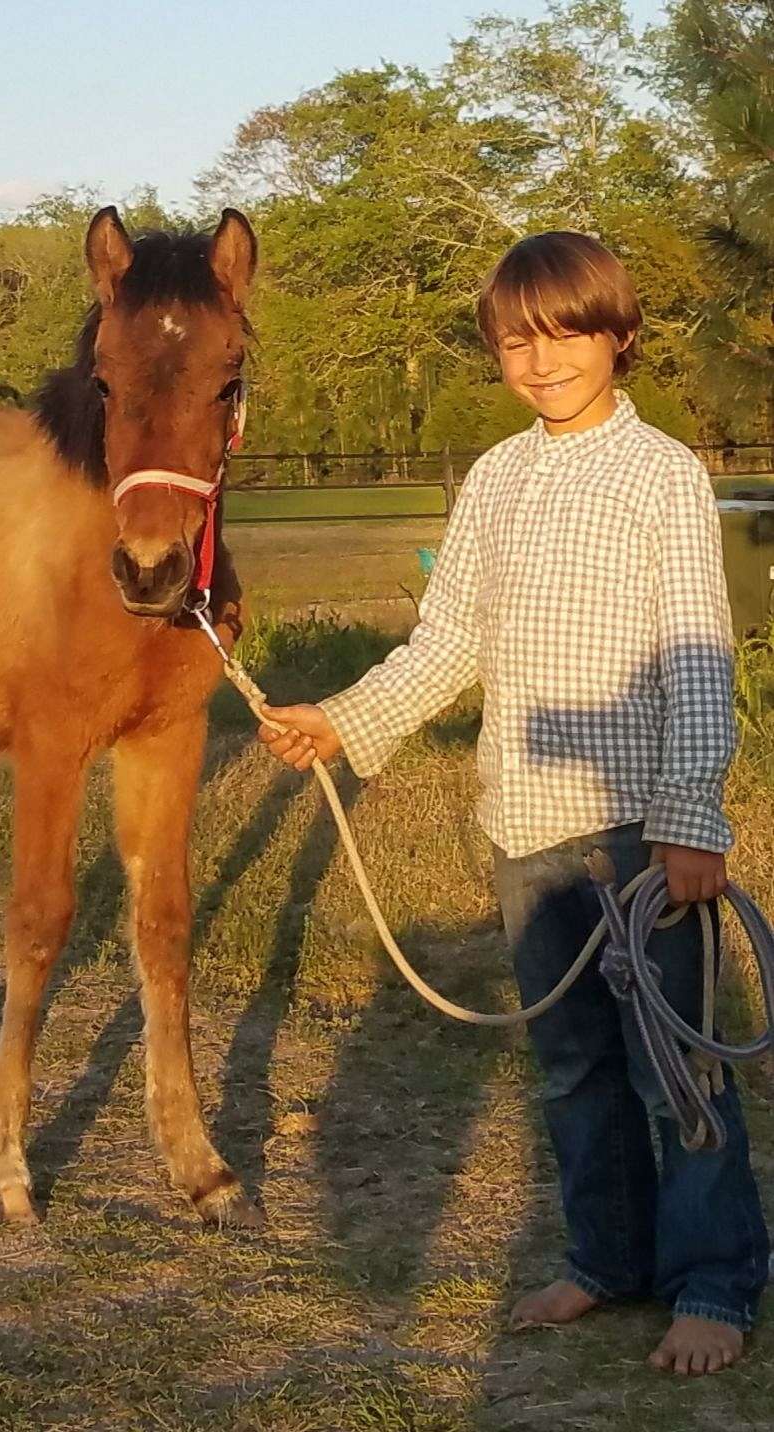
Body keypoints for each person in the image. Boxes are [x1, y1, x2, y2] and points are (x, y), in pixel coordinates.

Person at [259, 231, 769, 1376]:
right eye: (514, 342)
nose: (540, 362)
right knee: (574, 1067)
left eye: (565, 333)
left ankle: (715, 1281)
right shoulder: (493, 477)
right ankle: (606, 1259)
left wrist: (691, 813)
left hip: (637, 826)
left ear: (616, 334)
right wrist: (341, 718)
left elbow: (695, 658)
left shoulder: (662, 474)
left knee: (675, 1067)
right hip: (523, 829)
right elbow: (448, 646)